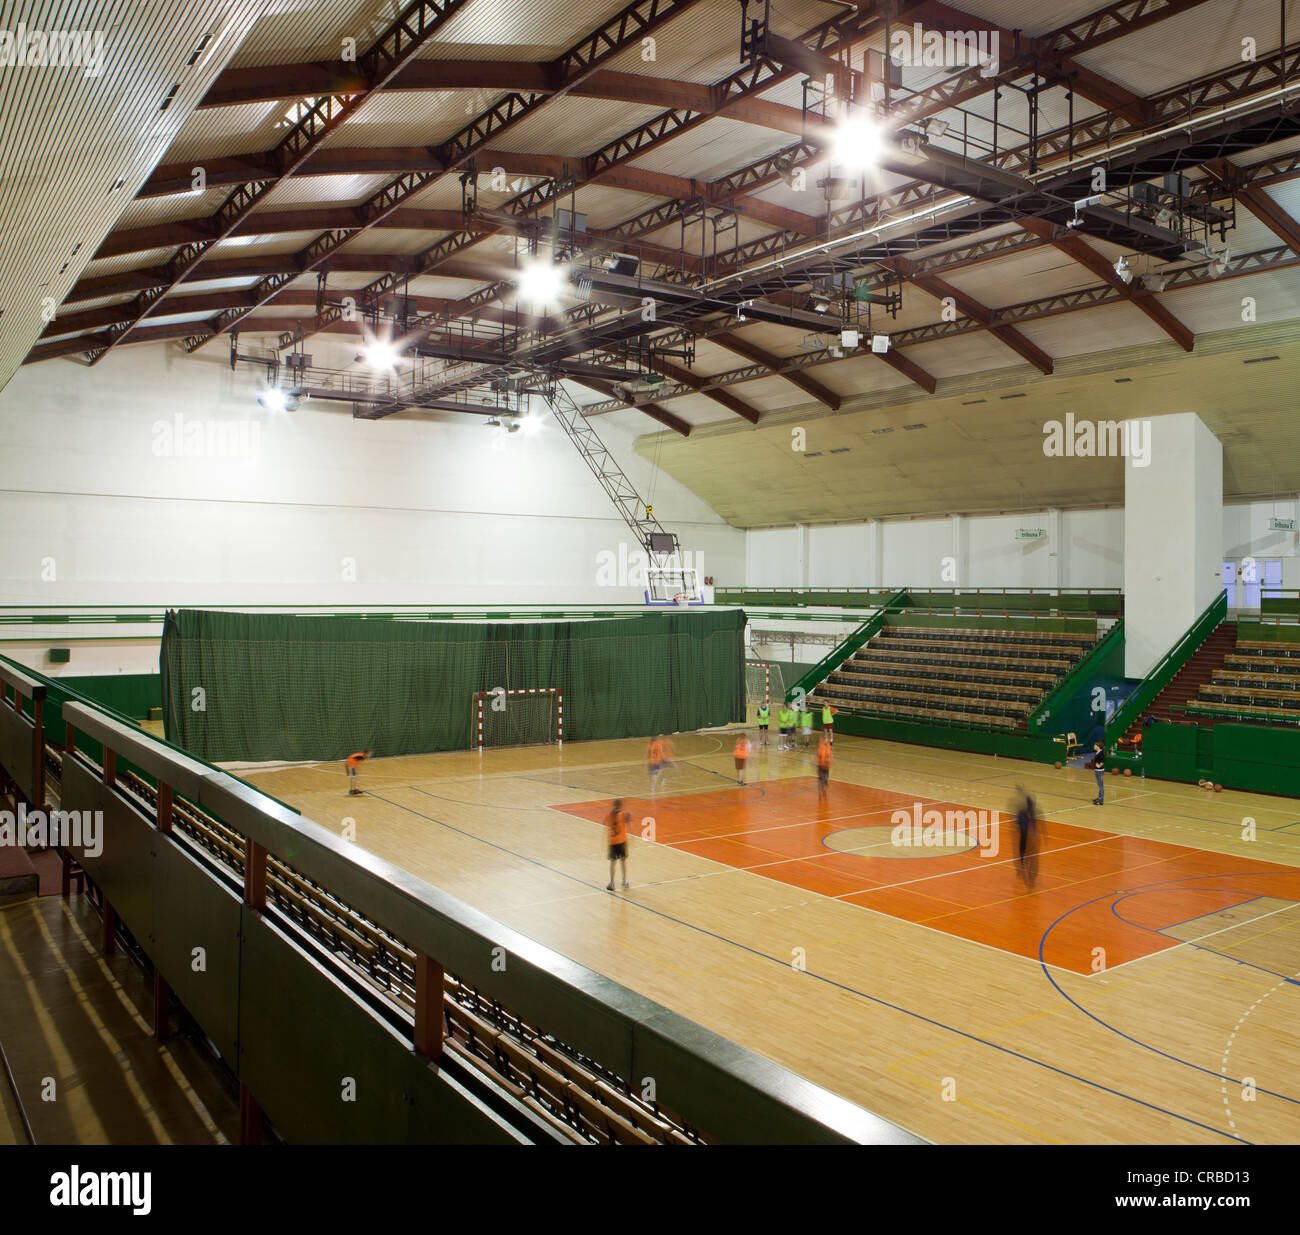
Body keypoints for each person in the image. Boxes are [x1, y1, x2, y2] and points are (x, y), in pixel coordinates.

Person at [1012, 785, 1040, 887]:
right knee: (1026, 852)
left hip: (1026, 834)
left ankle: (1023, 869)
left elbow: (1019, 824)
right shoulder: (1025, 812)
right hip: (1026, 834)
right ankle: (1025, 871)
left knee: (1024, 852)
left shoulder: (1025, 812)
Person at [605, 798, 630, 891]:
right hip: (622, 841)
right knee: (623, 861)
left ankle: (612, 883)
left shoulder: (609, 815)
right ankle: (624, 881)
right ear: (620, 806)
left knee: (613, 862)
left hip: (613, 842)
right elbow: (629, 822)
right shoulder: (623, 815)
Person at [816, 732, 832, 800]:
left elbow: (831, 755)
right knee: (821, 778)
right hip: (821, 765)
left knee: (825, 779)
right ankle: (821, 790)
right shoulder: (820, 746)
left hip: (826, 765)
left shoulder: (828, 746)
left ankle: (824, 790)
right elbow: (817, 755)